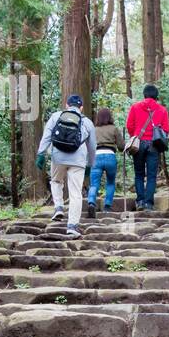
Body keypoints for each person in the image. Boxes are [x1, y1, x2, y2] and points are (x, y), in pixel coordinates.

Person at [36, 94, 96, 239]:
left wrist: (41, 154)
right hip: (78, 161)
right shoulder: (87, 122)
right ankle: (72, 226)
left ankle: (59, 207)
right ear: (81, 108)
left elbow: (47, 136)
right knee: (75, 193)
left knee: (56, 181)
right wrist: (90, 164)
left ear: (67, 105)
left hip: (58, 158)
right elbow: (92, 147)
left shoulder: (56, 116)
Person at [125, 83, 169, 211]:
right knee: (151, 176)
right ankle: (149, 204)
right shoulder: (162, 110)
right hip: (154, 145)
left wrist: (135, 136)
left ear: (144, 94)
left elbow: (129, 125)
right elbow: (166, 129)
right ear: (156, 96)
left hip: (138, 143)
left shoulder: (135, 107)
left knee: (139, 174)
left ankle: (140, 202)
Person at [87, 106, 120, 218]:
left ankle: (91, 202)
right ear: (110, 117)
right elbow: (121, 146)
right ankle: (107, 206)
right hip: (110, 156)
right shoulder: (114, 129)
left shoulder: (94, 130)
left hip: (97, 156)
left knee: (94, 183)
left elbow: (89, 146)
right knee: (110, 182)